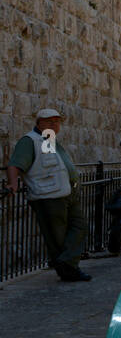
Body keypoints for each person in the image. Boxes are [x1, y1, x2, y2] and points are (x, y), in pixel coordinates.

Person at [5, 109, 90, 281]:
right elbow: (15, 165)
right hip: (49, 197)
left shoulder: (49, 140)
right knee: (57, 237)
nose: (53, 124)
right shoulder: (30, 141)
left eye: (57, 121)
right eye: (49, 121)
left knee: (80, 227)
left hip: (67, 195)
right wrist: (13, 183)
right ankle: (68, 270)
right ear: (38, 123)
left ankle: (64, 263)